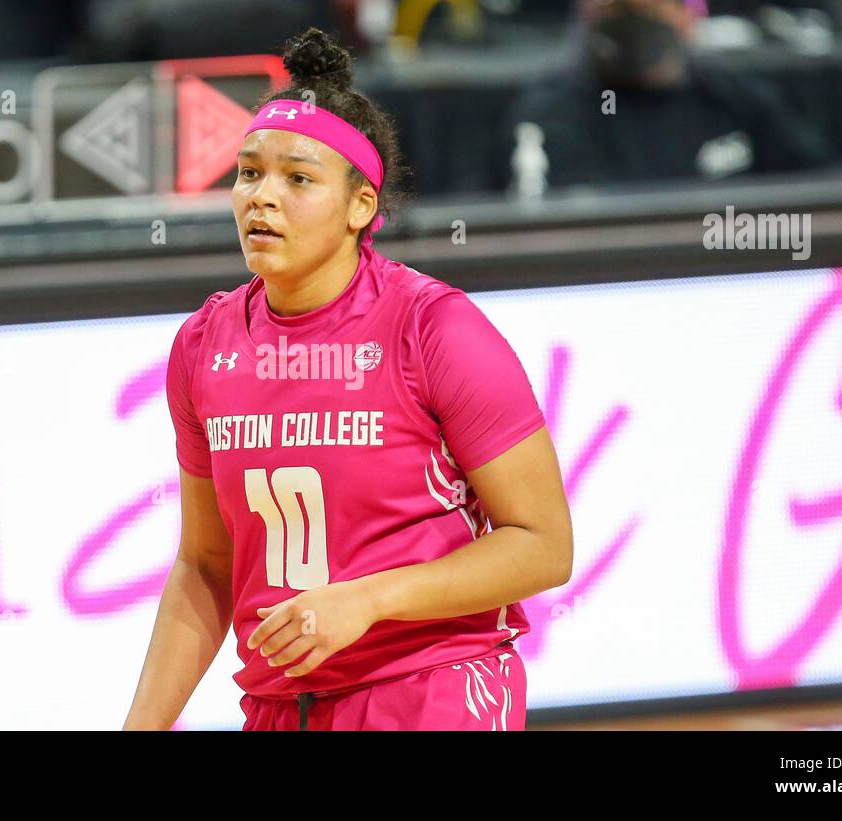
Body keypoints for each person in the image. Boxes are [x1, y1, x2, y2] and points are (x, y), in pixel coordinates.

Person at [124, 27, 573, 731]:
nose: (261, 198)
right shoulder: (204, 345)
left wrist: (368, 599)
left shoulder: (435, 329)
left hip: (431, 687)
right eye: (248, 172)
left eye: (298, 178)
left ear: (361, 205)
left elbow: (543, 543)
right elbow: (207, 565)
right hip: (281, 707)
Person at [499, 0, 836, 191]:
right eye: (614, 11)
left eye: (641, 11)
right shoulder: (553, 112)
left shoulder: (733, 97)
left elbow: (824, 188)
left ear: (687, 17)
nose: (627, 28)